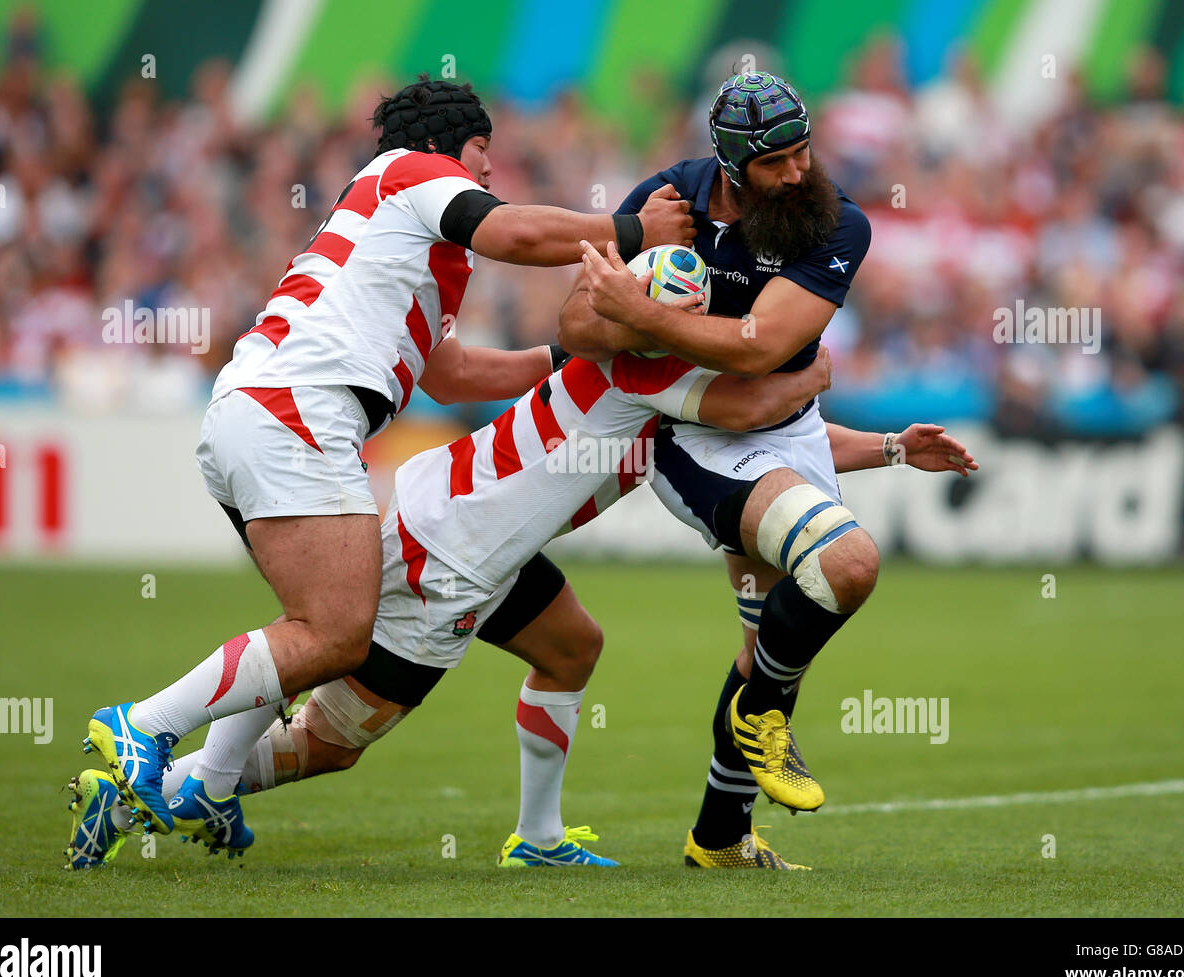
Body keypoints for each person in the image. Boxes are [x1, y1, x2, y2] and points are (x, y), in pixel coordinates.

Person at [76, 74, 694, 850]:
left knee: (315, 631)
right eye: (481, 151)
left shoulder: (402, 237)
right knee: (336, 634)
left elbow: (452, 376)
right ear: (444, 143)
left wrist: (560, 353)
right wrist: (633, 231)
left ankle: (200, 781)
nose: (488, 170)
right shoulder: (412, 170)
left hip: (266, 411)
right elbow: (517, 235)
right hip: (297, 411)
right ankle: (144, 727)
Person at [66, 339, 834, 868]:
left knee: (572, 647)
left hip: (461, 521)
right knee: (331, 739)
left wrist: (895, 446)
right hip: (453, 563)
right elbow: (748, 414)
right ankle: (148, 795)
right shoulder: (657, 377)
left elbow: (774, 441)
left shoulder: (636, 374)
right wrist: (811, 370)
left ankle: (537, 836)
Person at [559, 71, 977, 867]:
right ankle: (760, 716)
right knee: (846, 565)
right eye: (776, 162)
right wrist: (631, 299)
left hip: (783, 433)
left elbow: (762, 348)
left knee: (769, 651)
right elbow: (576, 322)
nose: (798, 172)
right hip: (691, 441)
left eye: (803, 151)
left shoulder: (835, 223)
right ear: (729, 163)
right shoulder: (667, 204)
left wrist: (889, 448)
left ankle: (719, 840)